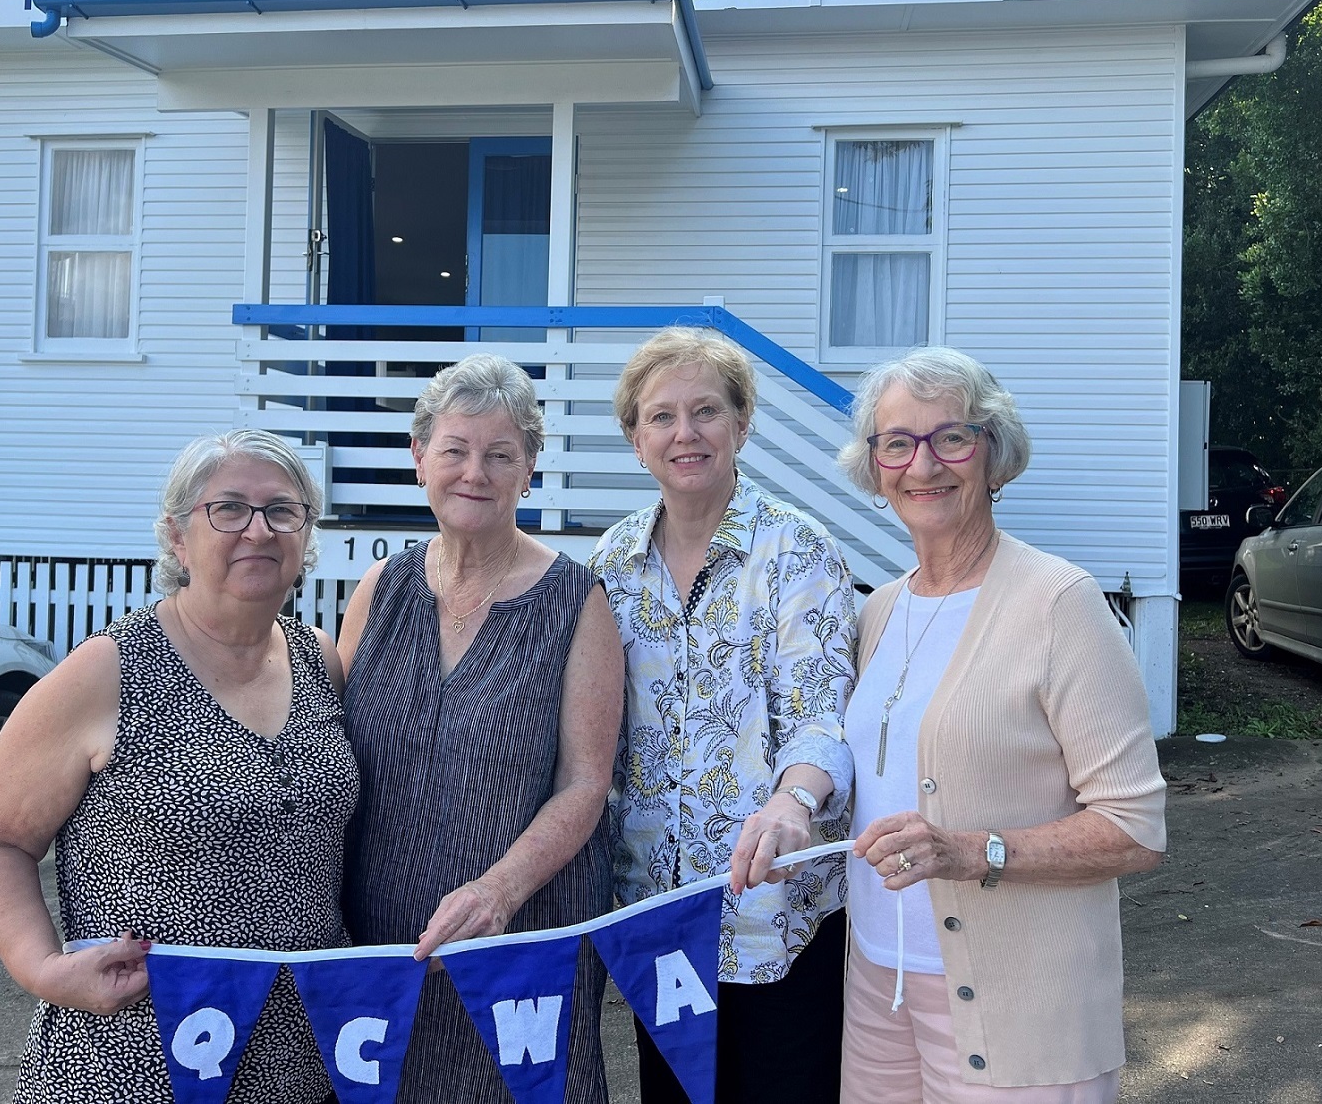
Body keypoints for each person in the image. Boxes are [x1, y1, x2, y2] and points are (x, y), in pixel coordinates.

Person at [0, 429, 355, 1103]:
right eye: (228, 508)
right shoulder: (108, 670)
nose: (258, 529)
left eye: (282, 510)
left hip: (302, 1051)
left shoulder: (319, 658)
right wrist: (42, 966)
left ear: (305, 534)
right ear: (176, 536)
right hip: (139, 1050)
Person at [837, 346, 1167, 1101]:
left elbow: (1136, 826)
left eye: (950, 437)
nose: (924, 465)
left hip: (1020, 1008)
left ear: (993, 453)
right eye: (899, 442)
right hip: (878, 991)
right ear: (876, 466)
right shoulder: (879, 610)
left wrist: (968, 849)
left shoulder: (1061, 603)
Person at [336, 353, 622, 1104]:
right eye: (456, 449)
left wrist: (497, 892)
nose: (475, 471)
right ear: (419, 456)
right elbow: (324, 744)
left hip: (519, 948)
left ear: (529, 466)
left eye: (500, 454)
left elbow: (586, 782)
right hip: (383, 945)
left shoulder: (576, 600)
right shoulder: (381, 588)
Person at [589, 326, 858, 1103]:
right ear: (636, 438)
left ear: (743, 423)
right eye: (661, 416)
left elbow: (819, 713)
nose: (685, 433)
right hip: (658, 916)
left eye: (706, 410)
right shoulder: (609, 563)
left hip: (774, 914)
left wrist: (795, 798)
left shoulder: (797, 551)